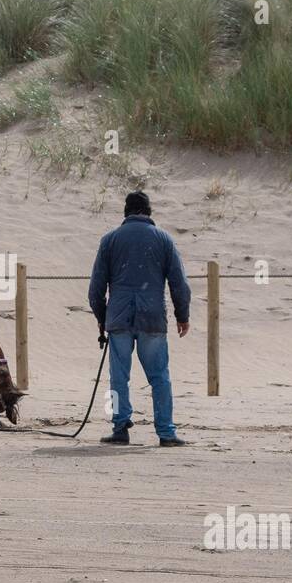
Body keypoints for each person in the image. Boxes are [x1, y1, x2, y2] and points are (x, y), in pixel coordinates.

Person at [88, 191, 191, 447]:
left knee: (119, 376)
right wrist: (182, 315)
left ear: (126, 211)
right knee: (159, 376)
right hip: (152, 317)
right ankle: (166, 432)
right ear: (149, 211)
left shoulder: (110, 240)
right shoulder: (164, 240)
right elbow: (179, 283)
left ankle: (120, 427)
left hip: (119, 318)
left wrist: (102, 318)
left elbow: (95, 289)